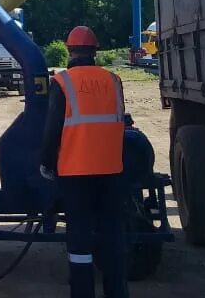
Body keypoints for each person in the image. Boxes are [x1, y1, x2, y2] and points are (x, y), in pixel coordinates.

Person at [40, 26, 129, 298]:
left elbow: (52, 129)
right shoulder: (113, 81)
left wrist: (45, 162)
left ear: (69, 51)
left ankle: (83, 292)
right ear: (95, 50)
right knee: (111, 234)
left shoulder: (63, 82)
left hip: (76, 173)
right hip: (112, 171)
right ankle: (117, 292)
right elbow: (121, 120)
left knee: (79, 238)